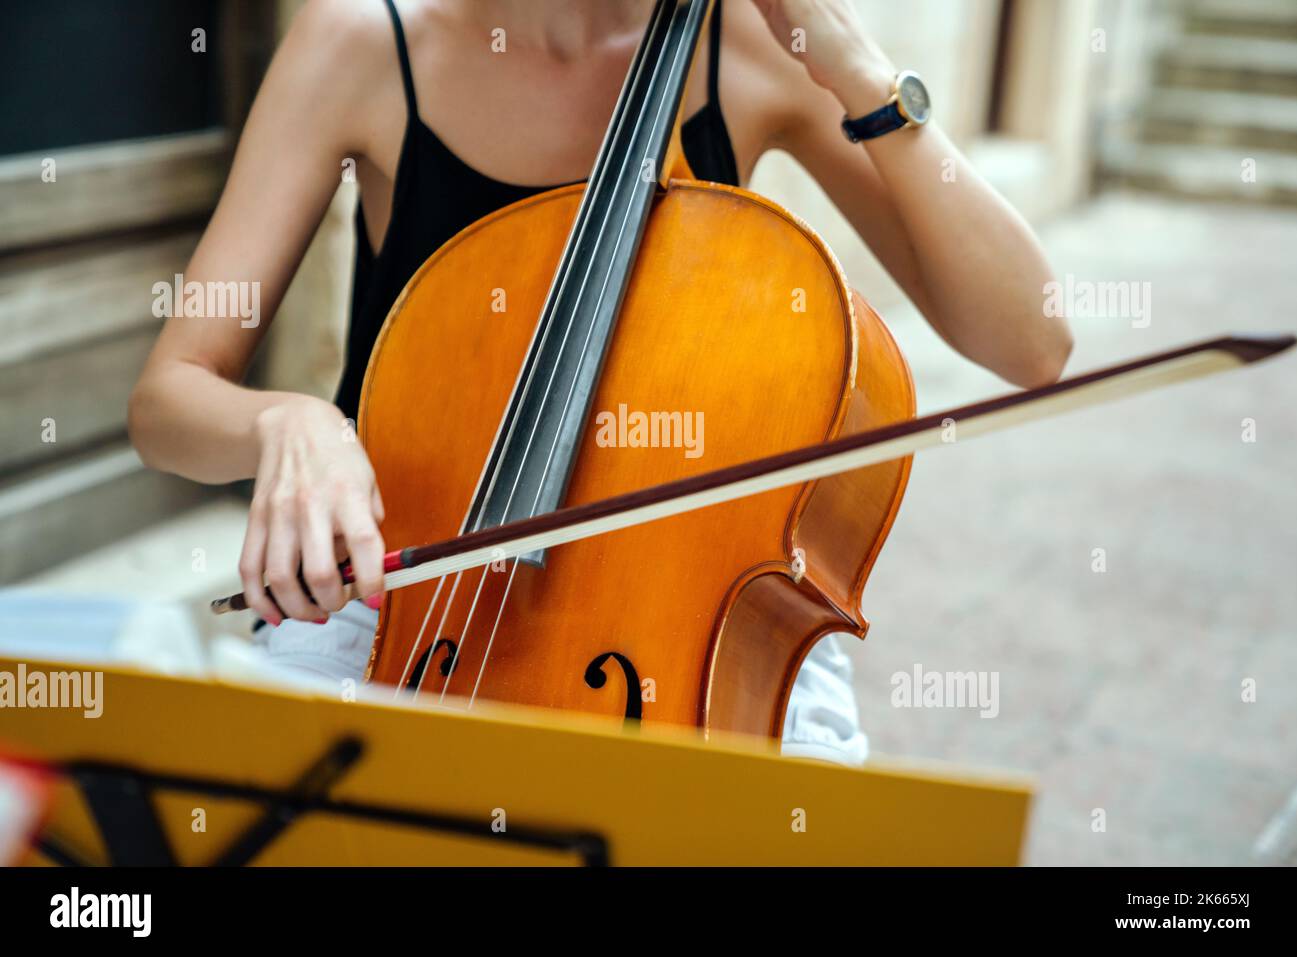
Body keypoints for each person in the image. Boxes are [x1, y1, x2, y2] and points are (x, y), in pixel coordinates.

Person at [128, 0, 1071, 764]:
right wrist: (292, 425)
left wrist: (860, 72)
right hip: (396, 617)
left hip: (694, 624)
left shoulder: (750, 44)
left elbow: (1030, 341)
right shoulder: (364, 41)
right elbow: (171, 396)